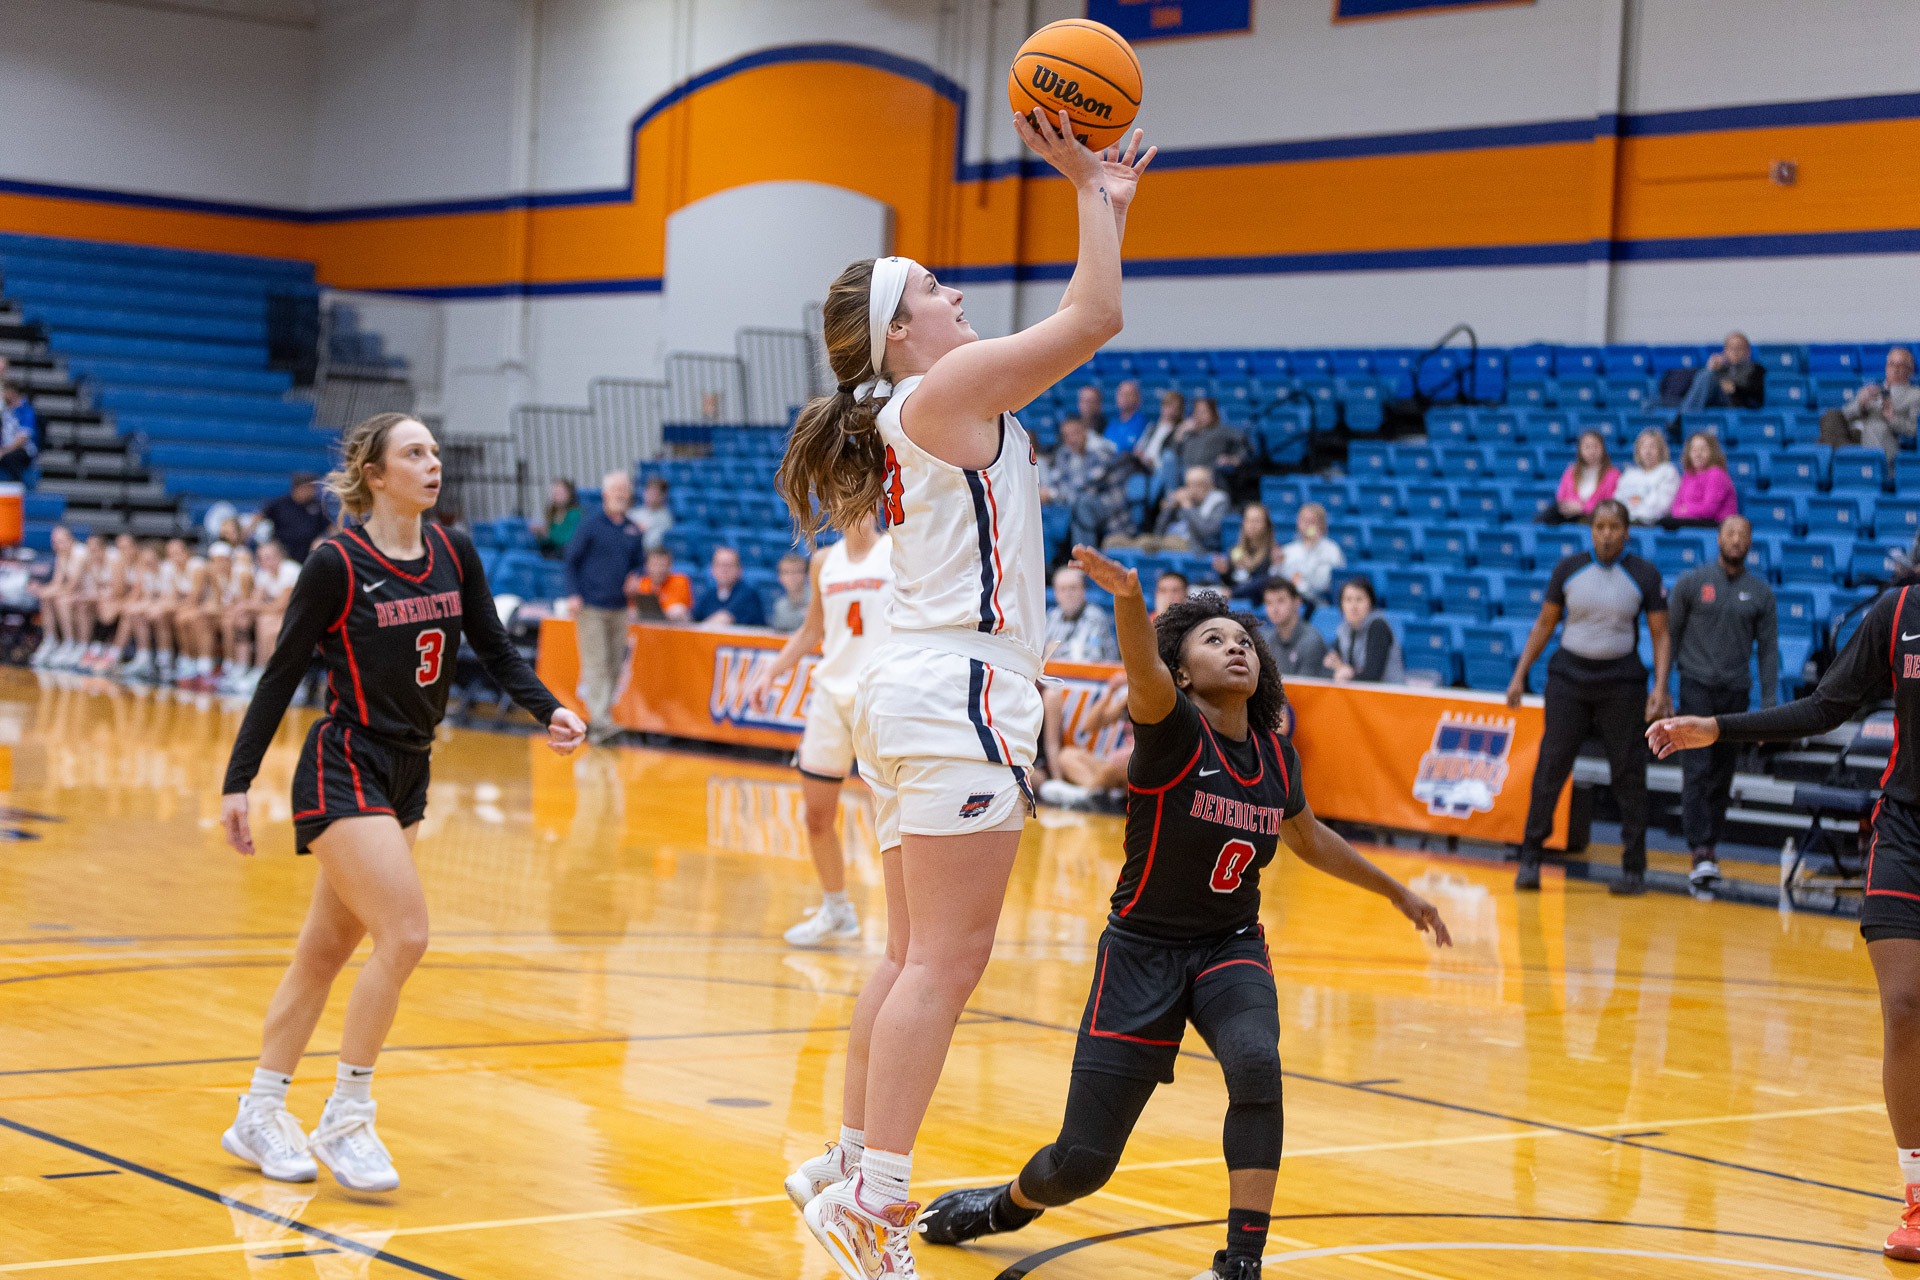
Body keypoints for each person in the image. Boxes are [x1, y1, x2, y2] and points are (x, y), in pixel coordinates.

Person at [773, 111, 1152, 1278]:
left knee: (905, 957)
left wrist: (1108, 203)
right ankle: (878, 1206)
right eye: (935, 287)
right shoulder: (939, 392)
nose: (956, 296)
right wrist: (1091, 187)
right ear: (899, 330)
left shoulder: (915, 406)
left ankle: (846, 1165)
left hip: (917, 688)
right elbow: (1097, 316)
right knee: (946, 961)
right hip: (957, 690)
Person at [918, 550, 1450, 1280]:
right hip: (1140, 952)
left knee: (1257, 1064)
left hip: (1229, 944)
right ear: (1183, 672)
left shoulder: (1275, 755)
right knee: (1080, 1164)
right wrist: (1132, 602)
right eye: (1213, 639)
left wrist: (1398, 891)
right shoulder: (1171, 731)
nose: (1235, 645)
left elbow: (1307, 836)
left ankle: (1241, 1264)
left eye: (1243, 639)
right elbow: (1143, 670)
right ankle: (1002, 1206)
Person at [217, 413, 584, 1194]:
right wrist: (237, 782)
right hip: (345, 761)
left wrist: (544, 707)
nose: (433, 463)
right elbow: (281, 675)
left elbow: (491, 642)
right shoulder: (336, 564)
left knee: (323, 952)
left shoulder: (453, 550)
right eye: (414, 453)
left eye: (435, 452)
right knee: (407, 934)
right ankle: (347, 1116)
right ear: (375, 475)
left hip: (411, 770)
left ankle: (258, 1108)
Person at [1648, 535, 1920, 1264]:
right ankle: (1918, 1197)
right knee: (1902, 1006)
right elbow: (1827, 705)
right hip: (1905, 831)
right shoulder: (1898, 615)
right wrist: (1718, 729)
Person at [1507, 498, 1670, 895]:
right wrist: (1518, 675)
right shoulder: (1568, 569)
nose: (1607, 534)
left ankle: (1634, 868)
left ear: (1626, 532)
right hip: (1569, 681)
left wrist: (1661, 688)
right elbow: (1544, 624)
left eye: (1615, 527)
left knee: (1629, 773)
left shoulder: (1643, 575)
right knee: (1551, 768)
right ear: (1591, 530)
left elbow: (1660, 635)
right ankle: (1530, 859)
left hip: (1621, 683)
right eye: (1600, 526)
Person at [748, 514, 894, 949]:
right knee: (816, 816)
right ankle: (836, 909)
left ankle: (900, 928)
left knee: (890, 822)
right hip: (832, 696)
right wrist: (769, 672)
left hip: (881, 697)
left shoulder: (898, 552)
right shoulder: (823, 562)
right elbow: (813, 629)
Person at [1666, 515, 1777, 890]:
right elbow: (1669, 636)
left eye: (1742, 534)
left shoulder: (1760, 592)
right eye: (1729, 532)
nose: (1735, 540)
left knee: (1721, 773)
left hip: (1735, 693)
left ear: (1749, 543)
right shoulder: (1692, 582)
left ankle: (1710, 844)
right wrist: (1661, 687)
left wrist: (1770, 707)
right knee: (1696, 769)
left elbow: (1769, 653)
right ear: (1718, 538)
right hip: (1695, 687)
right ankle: (1700, 849)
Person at [563, 472, 646, 745]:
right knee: (596, 662)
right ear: (606, 494)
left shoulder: (634, 530)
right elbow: (570, 561)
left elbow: (639, 563)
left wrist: (636, 575)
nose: (621, 494)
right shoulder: (591, 526)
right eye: (616, 489)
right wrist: (573, 594)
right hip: (591, 605)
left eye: (625, 489)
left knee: (613, 664)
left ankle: (603, 717)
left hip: (619, 606)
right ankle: (600, 721)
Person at [1037, 670, 1131, 805]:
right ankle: (1090, 793)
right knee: (1066, 755)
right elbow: (1089, 726)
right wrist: (1110, 692)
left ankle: (1086, 793)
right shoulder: (1131, 700)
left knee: (1114, 768)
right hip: (1114, 763)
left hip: (1134, 766)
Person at [1822, 346, 1919, 459]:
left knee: (1877, 428)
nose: (1895, 369)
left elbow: (1914, 430)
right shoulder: (1872, 390)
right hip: (1855, 434)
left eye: (1901, 365)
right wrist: (1860, 403)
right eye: (1891, 364)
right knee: (1830, 416)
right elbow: (1844, 416)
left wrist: (1892, 417)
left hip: (1882, 439)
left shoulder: (1915, 395)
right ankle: (1846, 456)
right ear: (1886, 367)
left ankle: (1845, 459)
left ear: (1911, 370)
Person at [1324, 577, 1403, 684]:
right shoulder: (1344, 630)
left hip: (1387, 695)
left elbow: (1372, 676)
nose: (1353, 606)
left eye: (1359, 599)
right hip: (1357, 696)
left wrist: (1347, 673)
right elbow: (1330, 664)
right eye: (1348, 600)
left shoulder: (1378, 627)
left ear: (1370, 603)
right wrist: (1340, 669)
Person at [28, 525, 81, 667]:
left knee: (61, 600)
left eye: (61, 541)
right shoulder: (61, 555)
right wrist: (40, 590)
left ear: (71, 540)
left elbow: (72, 585)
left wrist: (46, 591)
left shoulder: (80, 553)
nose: (57, 545)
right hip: (75, 594)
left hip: (88, 593)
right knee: (47, 598)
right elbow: (57, 582)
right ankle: (50, 640)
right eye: (55, 542)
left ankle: (70, 643)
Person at [1039, 414, 1117, 508]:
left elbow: (1086, 485)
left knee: (1082, 500)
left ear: (1085, 431)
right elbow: (1057, 479)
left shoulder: (1101, 451)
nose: (1071, 440)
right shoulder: (1064, 453)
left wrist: (1053, 494)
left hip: (1104, 505)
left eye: (1075, 433)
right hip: (1075, 506)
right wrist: (1048, 491)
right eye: (1066, 436)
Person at [1542, 430, 1619, 525]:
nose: (1592, 451)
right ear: (1580, 450)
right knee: (1551, 513)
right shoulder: (1570, 472)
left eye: (1595, 446)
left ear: (1603, 449)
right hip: (1569, 515)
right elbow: (1561, 496)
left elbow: (1609, 502)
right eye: (1587, 447)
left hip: (1594, 517)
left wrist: (1583, 508)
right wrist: (1570, 507)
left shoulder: (1613, 474)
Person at [1044, 564, 1118, 663]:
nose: (1068, 594)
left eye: (1073, 588)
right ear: (1055, 593)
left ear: (1083, 590)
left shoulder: (1096, 617)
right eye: (1062, 589)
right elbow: (1042, 654)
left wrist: (1056, 649)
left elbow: (1092, 657)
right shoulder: (1051, 616)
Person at [1663, 432, 1738, 528]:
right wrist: (1684, 511)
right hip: (1691, 521)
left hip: (1717, 525)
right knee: (1664, 523)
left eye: (1703, 449)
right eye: (1694, 450)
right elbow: (1675, 508)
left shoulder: (1716, 474)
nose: (1698, 454)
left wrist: (1686, 509)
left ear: (1712, 452)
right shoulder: (1688, 474)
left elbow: (1708, 510)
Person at [1678, 331, 1766, 412]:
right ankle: (1685, 416)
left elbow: (1753, 394)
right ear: (1725, 351)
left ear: (1748, 351)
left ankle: (1682, 419)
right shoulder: (1722, 368)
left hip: (1738, 402)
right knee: (1705, 374)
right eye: (1731, 348)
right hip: (1717, 400)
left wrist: (1734, 388)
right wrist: (1712, 368)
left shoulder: (1756, 369)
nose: (1735, 352)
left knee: (1707, 375)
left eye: (1739, 348)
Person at [1276, 503, 1344, 607]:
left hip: (1319, 602)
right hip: (1290, 601)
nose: (1307, 525)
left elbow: (1324, 584)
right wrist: (1276, 565)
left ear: (1321, 524)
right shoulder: (1288, 550)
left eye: (1312, 521)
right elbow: (1277, 580)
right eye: (1304, 520)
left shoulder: (1332, 549)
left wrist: (1313, 549)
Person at [1150, 465, 1232, 552]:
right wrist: (1170, 508)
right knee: (1144, 542)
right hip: (1172, 541)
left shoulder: (1218, 500)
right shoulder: (1183, 501)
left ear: (1207, 486)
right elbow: (1158, 531)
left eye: (1196, 485)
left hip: (1198, 548)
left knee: (1150, 545)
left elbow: (1207, 533)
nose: (1190, 490)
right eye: (1188, 485)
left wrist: (1188, 506)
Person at [1259, 577, 1327, 678]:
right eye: (1269, 603)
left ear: (1297, 602)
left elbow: (1305, 688)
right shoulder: (1266, 639)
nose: (1274, 609)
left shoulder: (1311, 640)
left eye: (1281, 601)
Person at [260, 474, 331, 563]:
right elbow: (260, 516)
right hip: (284, 553)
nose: (313, 491)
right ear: (299, 488)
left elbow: (330, 526)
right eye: (310, 487)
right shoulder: (281, 504)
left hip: (308, 553)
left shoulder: (316, 505)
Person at [1615, 428, 1680, 526]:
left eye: (1652, 447)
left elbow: (1663, 506)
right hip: (1626, 523)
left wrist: (1635, 512)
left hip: (1652, 525)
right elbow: (1618, 502)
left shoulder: (1668, 471)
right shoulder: (1629, 474)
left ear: (1661, 450)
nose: (1648, 451)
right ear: (1638, 451)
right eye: (1644, 447)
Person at [692, 545, 767, 627]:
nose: (724, 570)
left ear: (740, 569)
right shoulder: (709, 594)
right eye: (719, 565)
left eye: (729, 565)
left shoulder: (748, 594)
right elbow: (694, 618)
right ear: (712, 569)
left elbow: (724, 618)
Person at [1215, 502, 1274, 599]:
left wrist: (1234, 592)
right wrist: (1224, 573)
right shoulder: (1235, 550)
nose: (1252, 525)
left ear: (1267, 524)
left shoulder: (1273, 553)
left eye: (1257, 520)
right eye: (1248, 520)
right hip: (1236, 601)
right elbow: (1230, 583)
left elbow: (1266, 582)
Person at [628, 545, 693, 622]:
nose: (659, 570)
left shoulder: (680, 581)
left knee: (678, 611)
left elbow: (680, 610)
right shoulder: (640, 584)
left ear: (670, 566)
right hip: (648, 627)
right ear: (647, 566)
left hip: (673, 627)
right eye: (655, 565)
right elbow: (632, 610)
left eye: (663, 565)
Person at [1133, 388, 1187, 472]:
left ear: (1180, 410)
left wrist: (1153, 463)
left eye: (1176, 407)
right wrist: (1140, 455)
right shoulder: (1152, 427)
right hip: (1143, 467)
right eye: (1168, 405)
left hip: (1161, 469)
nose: (1171, 410)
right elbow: (1139, 448)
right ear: (1162, 406)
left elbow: (1172, 456)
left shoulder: (1180, 429)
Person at [0, 378, 39, 482]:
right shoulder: (6, 410)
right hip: (5, 448)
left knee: (10, 458)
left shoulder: (25, 410)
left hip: (23, 451)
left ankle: (17, 485)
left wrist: (4, 451)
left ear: (12, 393)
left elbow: (22, 439)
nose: (3, 394)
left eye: (5, 392)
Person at [537, 479, 582, 557]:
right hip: (551, 551)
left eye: (560, 493)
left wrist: (547, 533)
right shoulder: (551, 512)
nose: (556, 496)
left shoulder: (575, 514)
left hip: (566, 553)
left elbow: (567, 539)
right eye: (554, 493)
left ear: (569, 494)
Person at [770, 551, 812, 632]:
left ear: (806, 575)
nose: (791, 577)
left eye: (796, 572)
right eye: (786, 572)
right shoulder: (779, 606)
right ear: (780, 577)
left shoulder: (816, 600)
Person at [1105, 378, 1150, 453]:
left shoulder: (1143, 424)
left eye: (1128, 394)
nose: (1124, 398)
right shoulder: (1112, 424)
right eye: (1121, 394)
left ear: (1138, 399)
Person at [632, 475, 675, 551]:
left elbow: (652, 543)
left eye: (655, 493)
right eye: (648, 491)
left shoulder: (665, 518)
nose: (650, 495)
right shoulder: (633, 513)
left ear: (662, 496)